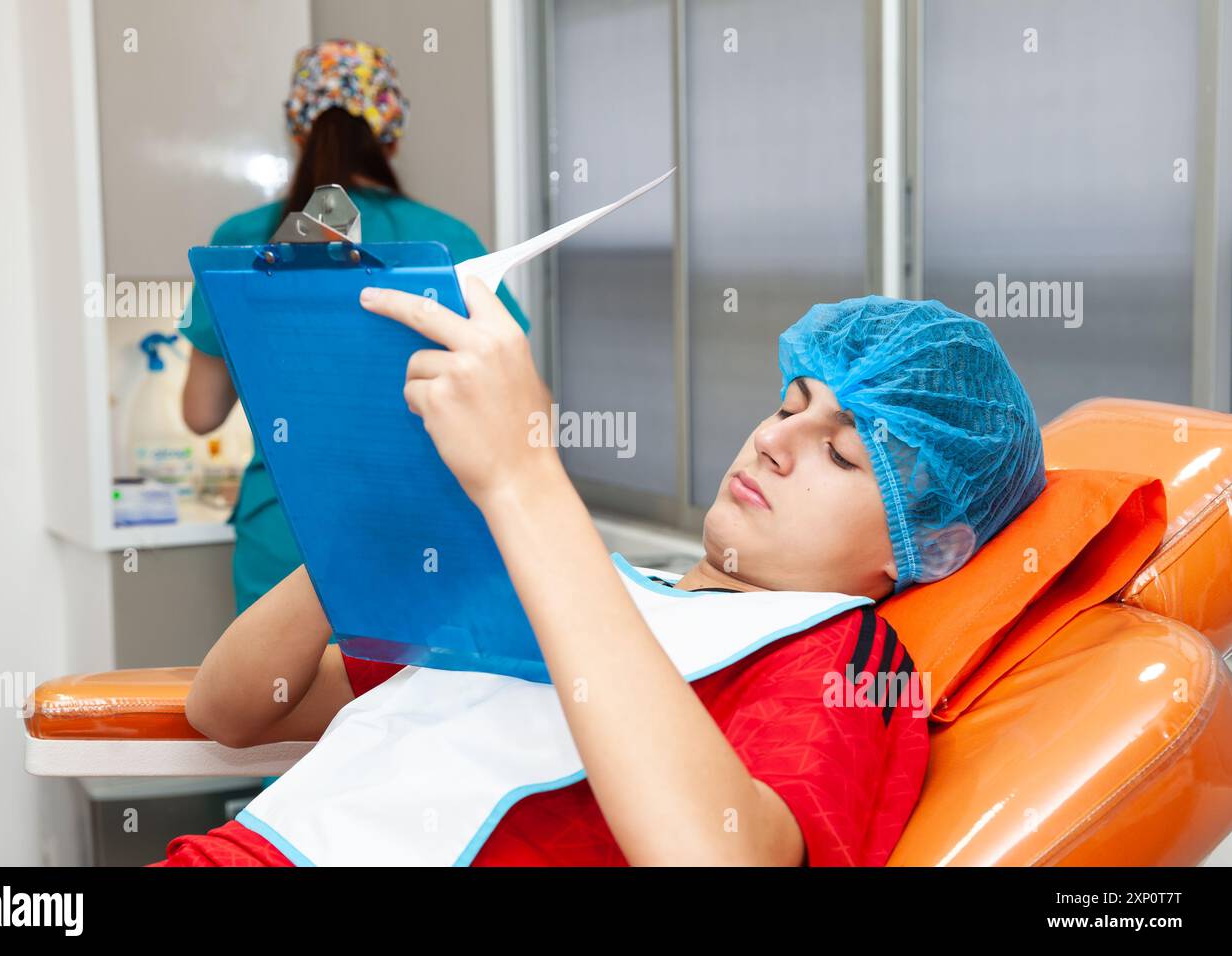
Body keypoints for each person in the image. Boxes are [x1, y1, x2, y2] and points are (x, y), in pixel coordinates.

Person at [156, 293, 1045, 867]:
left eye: (843, 455)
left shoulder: (847, 661)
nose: (773, 442)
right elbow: (233, 710)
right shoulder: (592, 587)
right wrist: (376, 511)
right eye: (787, 406)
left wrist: (524, 481)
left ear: (926, 545)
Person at [181, 39, 529, 615]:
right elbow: (509, 399)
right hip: (421, 531)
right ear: (391, 134)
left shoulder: (239, 240)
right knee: (403, 703)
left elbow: (199, 414)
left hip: (284, 537)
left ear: (298, 131)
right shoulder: (448, 241)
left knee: (288, 703)